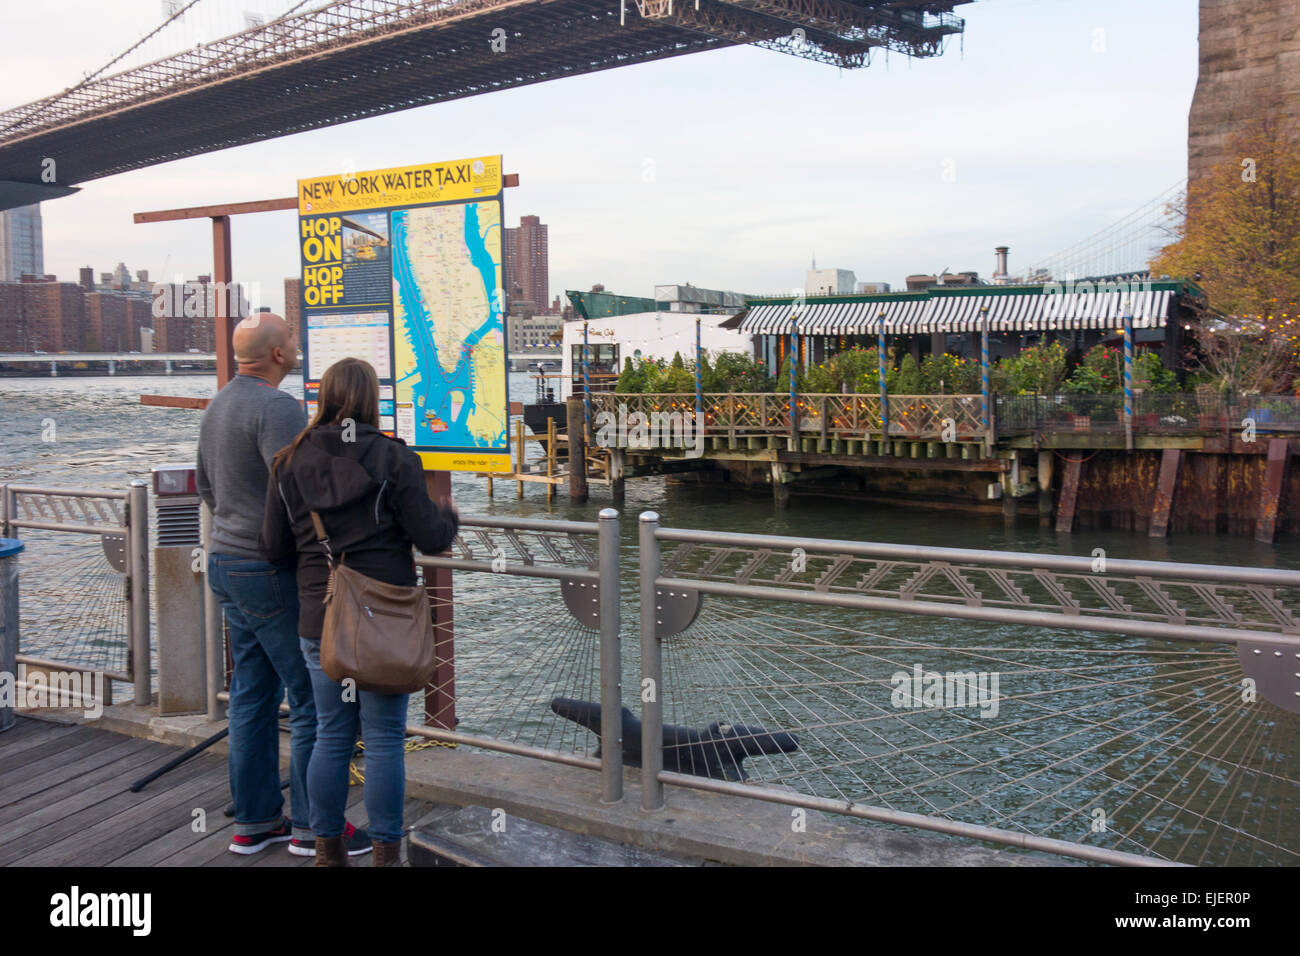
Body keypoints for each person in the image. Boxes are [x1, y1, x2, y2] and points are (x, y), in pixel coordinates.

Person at [261, 357, 459, 867]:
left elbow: (272, 548)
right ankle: (386, 855)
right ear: (372, 399)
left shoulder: (288, 462)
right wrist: (448, 515)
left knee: (331, 734)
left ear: (323, 397)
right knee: (386, 739)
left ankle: (327, 851)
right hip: (384, 620)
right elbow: (432, 539)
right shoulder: (395, 459)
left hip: (320, 618)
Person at [197, 313, 372, 857]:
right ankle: (312, 827)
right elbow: (296, 482)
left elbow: (205, 483)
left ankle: (254, 822)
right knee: (310, 697)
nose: (298, 346)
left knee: (251, 693)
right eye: (292, 340)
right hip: (268, 568)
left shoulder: (218, 403)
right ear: (277, 354)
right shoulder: (277, 407)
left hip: (225, 560)